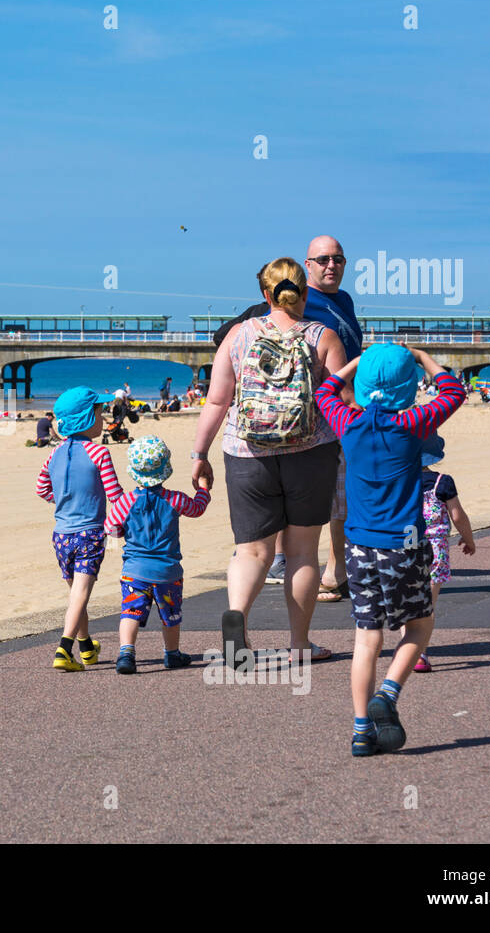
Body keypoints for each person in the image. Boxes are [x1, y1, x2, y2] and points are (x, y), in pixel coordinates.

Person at [191, 257, 346, 664]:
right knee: (302, 553)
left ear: (265, 295)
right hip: (310, 453)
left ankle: (237, 617)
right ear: (305, 292)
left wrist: (199, 453)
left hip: (246, 453)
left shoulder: (239, 335)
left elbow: (217, 400)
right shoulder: (323, 336)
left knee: (251, 552)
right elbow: (342, 404)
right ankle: (299, 644)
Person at [314, 344, 466, 756]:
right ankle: (389, 692)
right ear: (408, 388)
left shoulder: (349, 423)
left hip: (358, 548)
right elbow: (454, 390)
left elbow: (324, 391)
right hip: (404, 546)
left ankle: (361, 730)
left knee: (366, 638)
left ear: (361, 386)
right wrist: (421, 356)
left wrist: (356, 363)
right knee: (419, 625)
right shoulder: (413, 425)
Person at [212, 236, 361, 591]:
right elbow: (229, 337)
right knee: (323, 503)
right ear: (307, 266)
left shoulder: (344, 300)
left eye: (338, 259)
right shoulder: (292, 302)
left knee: (339, 496)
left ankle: (333, 568)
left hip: (341, 409)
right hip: (314, 418)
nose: (331, 266)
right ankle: (315, 573)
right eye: (323, 259)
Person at [35, 386, 124, 672]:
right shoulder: (99, 453)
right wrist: (124, 522)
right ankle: (65, 648)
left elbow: (41, 488)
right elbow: (115, 494)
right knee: (81, 593)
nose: (103, 418)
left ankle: (86, 647)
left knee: (77, 593)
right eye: (100, 413)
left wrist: (63, 499)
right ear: (88, 418)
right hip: (89, 533)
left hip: (61, 534)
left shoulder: (55, 453)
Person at [105, 436, 211, 674]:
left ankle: (126, 653)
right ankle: (172, 653)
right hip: (168, 571)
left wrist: (123, 530)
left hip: (135, 571)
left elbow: (110, 527)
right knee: (171, 613)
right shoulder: (174, 499)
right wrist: (203, 489)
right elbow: (197, 508)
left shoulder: (126, 502)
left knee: (130, 611)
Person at [410, 433, 477, 673]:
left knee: (409, 603)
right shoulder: (443, 482)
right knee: (428, 604)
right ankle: (420, 653)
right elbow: (457, 515)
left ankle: (407, 649)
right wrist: (468, 540)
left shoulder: (399, 480)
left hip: (406, 546)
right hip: (435, 547)